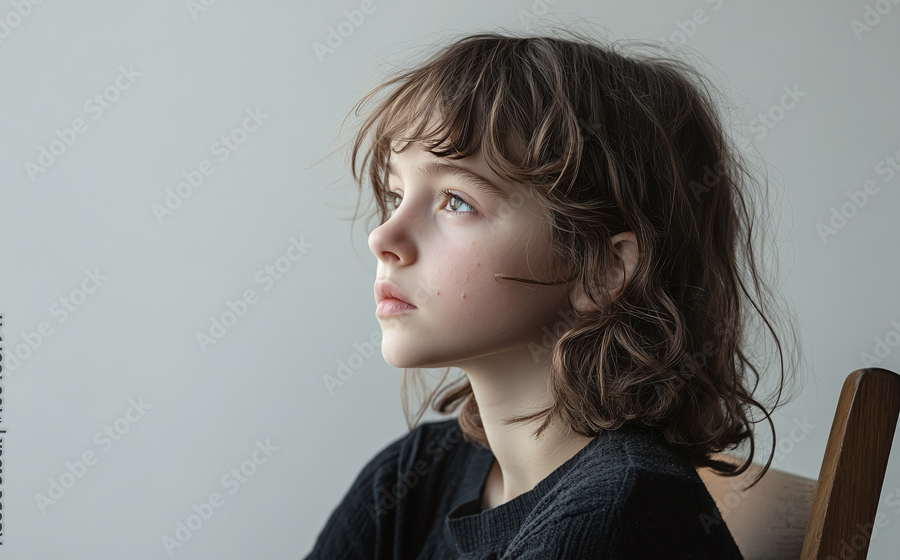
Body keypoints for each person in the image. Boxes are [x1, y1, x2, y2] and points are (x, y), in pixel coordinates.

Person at [305, 25, 799, 560]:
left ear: (602, 270)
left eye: (455, 201)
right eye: (397, 194)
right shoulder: (414, 476)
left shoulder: (619, 515)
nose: (384, 238)